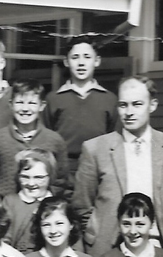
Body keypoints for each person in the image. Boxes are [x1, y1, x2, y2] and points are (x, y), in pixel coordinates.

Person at [72, 76, 163, 256]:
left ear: (153, 105)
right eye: (123, 105)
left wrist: (153, 231)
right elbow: (82, 205)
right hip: (108, 249)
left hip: (155, 246)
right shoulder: (95, 148)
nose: (129, 112)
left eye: (137, 104)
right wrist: (101, 233)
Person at [46, 35, 119, 175]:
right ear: (66, 62)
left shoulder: (109, 99)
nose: (81, 63)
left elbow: (115, 142)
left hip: (99, 169)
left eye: (87, 57)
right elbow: (46, 138)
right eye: (75, 57)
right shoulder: (53, 99)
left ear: (96, 61)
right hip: (62, 170)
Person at [0, 80, 69, 198]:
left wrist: (47, 200)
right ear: (11, 105)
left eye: (32, 103)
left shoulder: (55, 140)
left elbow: (61, 181)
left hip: (41, 210)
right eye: (20, 102)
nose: (25, 108)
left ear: (42, 106)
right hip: (5, 208)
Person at [1, 148, 56, 253]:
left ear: (50, 177)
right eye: (25, 177)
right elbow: (4, 237)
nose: (31, 184)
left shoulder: (57, 205)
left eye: (39, 177)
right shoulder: (10, 202)